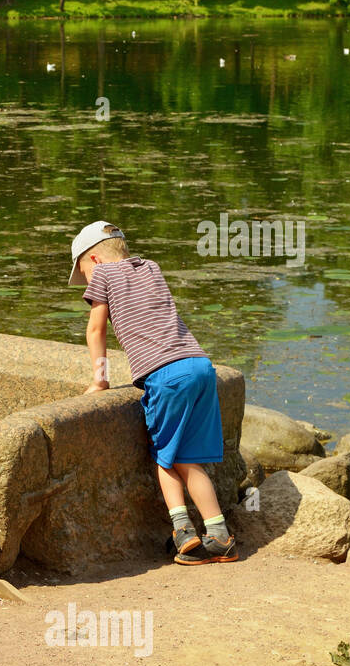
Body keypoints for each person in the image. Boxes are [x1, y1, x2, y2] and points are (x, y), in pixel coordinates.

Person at [70, 220, 238, 565]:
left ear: (96, 260)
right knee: (189, 460)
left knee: (165, 457)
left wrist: (100, 380)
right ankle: (220, 535)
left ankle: (183, 531)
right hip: (200, 366)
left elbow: (95, 329)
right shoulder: (151, 267)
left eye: (83, 272)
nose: (86, 282)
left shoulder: (103, 275)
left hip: (166, 375)